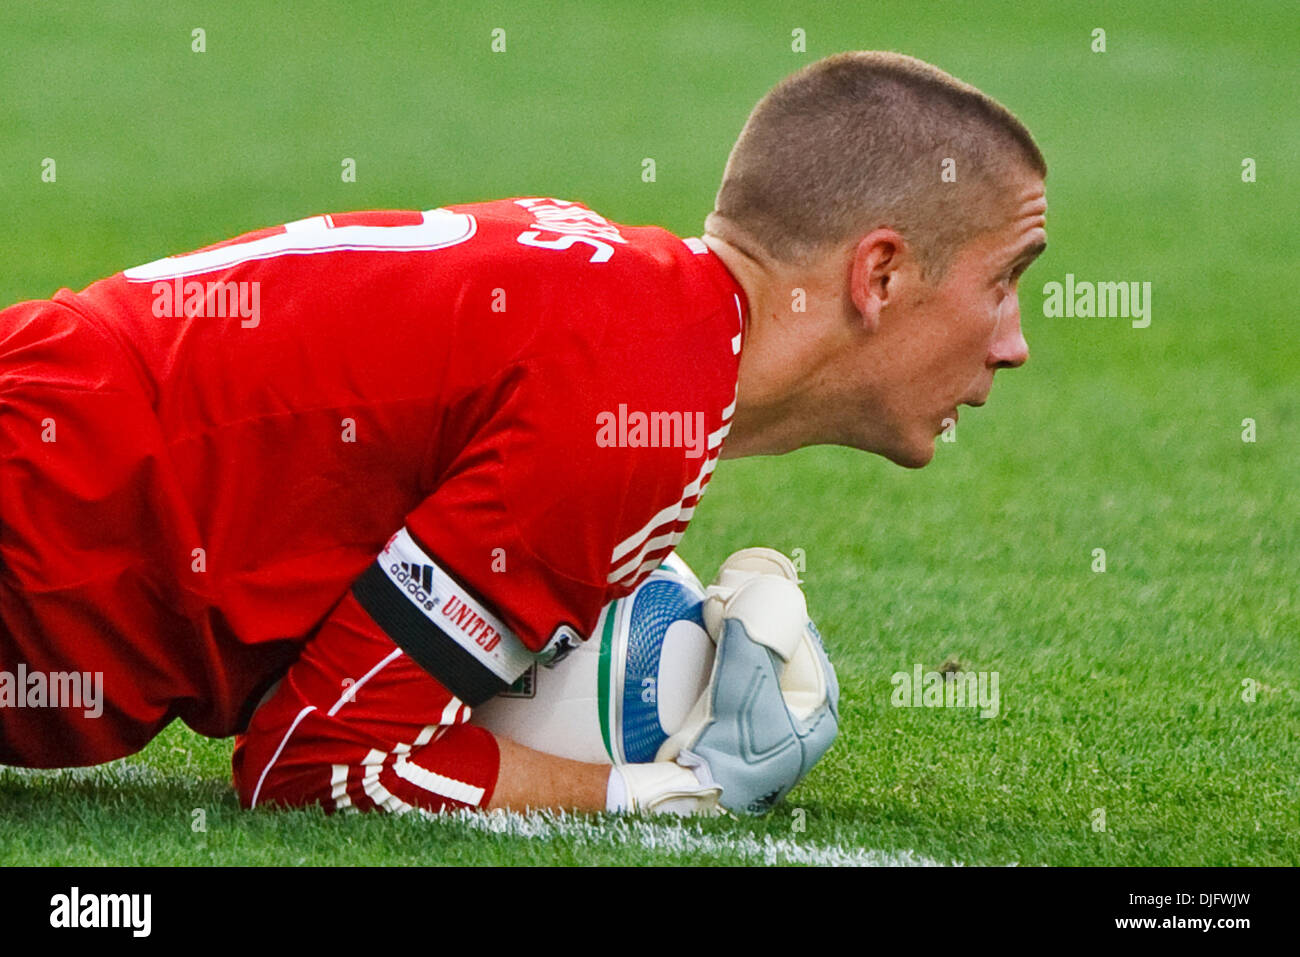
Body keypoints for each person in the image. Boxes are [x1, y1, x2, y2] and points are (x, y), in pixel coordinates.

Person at [0, 51, 1046, 816]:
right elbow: (320, 763)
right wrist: (661, 791)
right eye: (1003, 282)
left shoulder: (624, 304)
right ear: (880, 275)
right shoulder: (633, 413)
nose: (1012, 343)